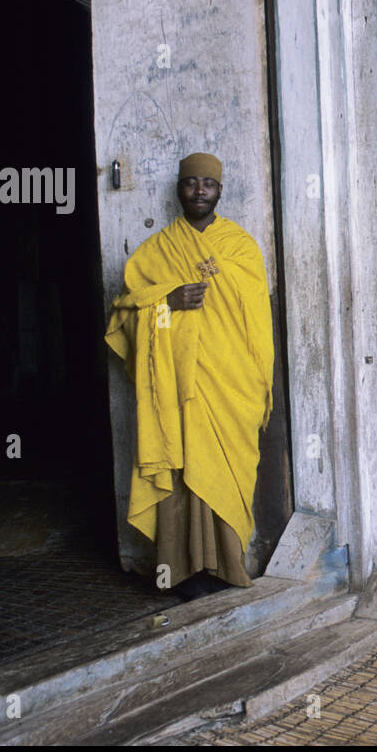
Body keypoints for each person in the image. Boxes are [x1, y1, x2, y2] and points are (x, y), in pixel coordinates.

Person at [104, 152, 273, 601]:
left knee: (227, 470)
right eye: (190, 183)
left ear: (220, 191)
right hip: (180, 387)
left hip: (230, 384)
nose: (199, 191)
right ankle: (182, 574)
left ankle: (228, 568)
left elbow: (256, 320)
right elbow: (126, 315)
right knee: (180, 471)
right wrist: (167, 302)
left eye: (208, 184)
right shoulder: (157, 251)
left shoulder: (240, 247)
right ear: (178, 190)